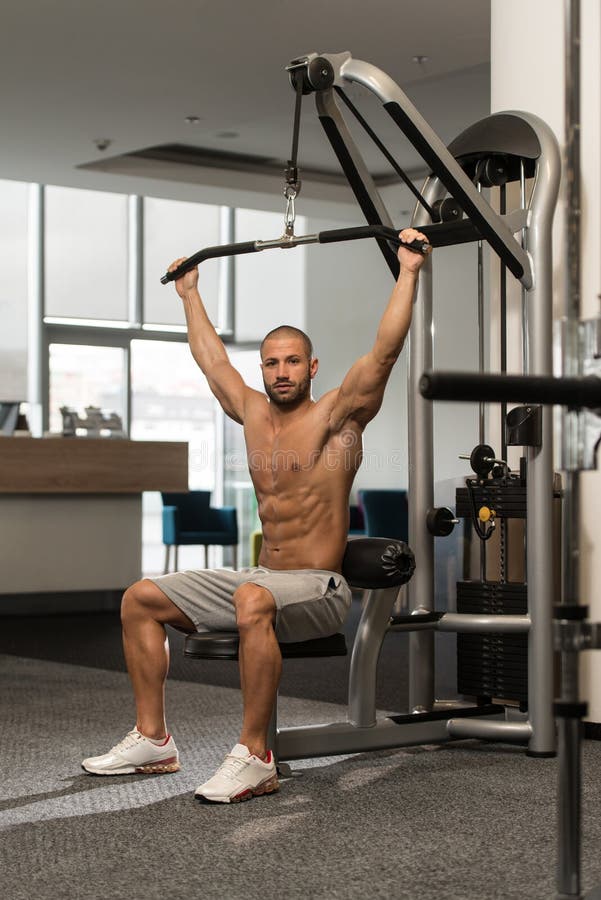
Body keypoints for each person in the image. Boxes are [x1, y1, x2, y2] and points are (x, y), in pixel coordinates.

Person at [82, 227, 430, 802]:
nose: (281, 372)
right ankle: (153, 739)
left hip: (320, 587)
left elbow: (384, 352)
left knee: (252, 598)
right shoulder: (252, 413)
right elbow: (212, 362)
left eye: (293, 361)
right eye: (271, 363)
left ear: (313, 366)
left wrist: (409, 272)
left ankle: (256, 756)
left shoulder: (339, 419)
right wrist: (189, 292)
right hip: (263, 581)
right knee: (139, 597)